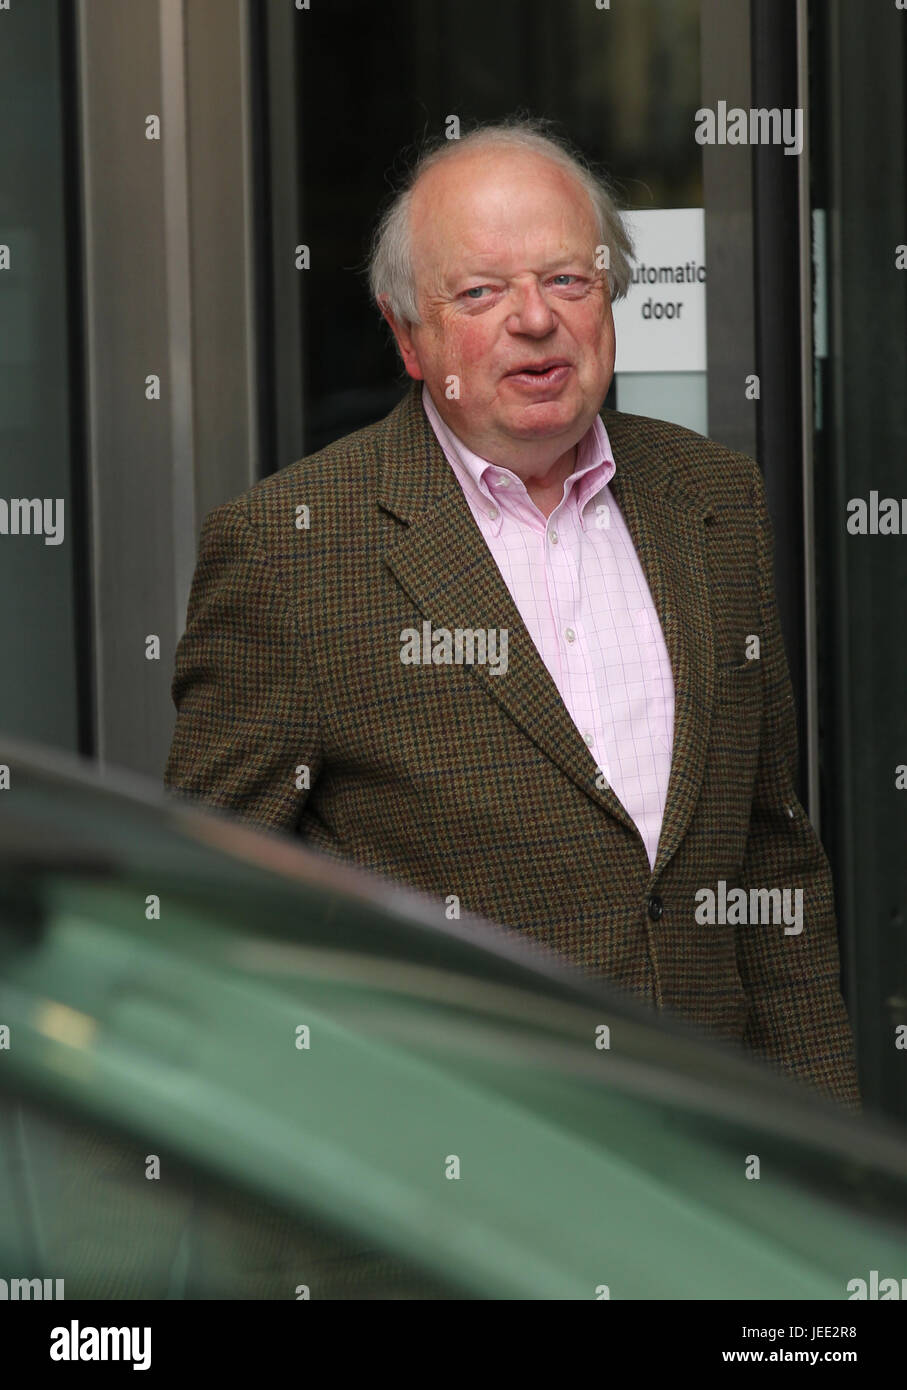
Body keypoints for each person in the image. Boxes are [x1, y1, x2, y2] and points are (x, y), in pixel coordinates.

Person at [164, 120, 860, 1110]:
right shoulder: (291, 549)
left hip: (713, 1178)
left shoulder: (714, 500)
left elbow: (769, 857)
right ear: (408, 337)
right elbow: (211, 906)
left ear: (610, 297)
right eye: (481, 292)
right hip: (454, 1194)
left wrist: (827, 1167)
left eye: (567, 280)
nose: (535, 320)